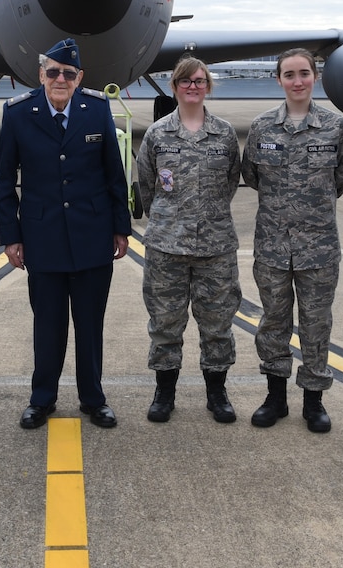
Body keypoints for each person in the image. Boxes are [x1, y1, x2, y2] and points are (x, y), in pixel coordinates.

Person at [0, 38, 132, 429]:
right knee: (48, 325)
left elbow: (113, 175)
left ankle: (93, 398)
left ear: (79, 78)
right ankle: (42, 399)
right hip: (42, 236)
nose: (60, 79)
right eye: (52, 72)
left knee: (90, 324)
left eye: (68, 73)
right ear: (41, 74)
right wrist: (11, 236)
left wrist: (120, 228)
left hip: (92, 234)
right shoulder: (20, 114)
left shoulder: (97, 109)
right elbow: (6, 182)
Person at [241, 48, 343, 432]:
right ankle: (276, 398)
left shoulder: (335, 127)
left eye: (304, 73)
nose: (297, 81)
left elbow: (342, 177)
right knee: (273, 322)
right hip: (273, 247)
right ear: (279, 80)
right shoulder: (261, 128)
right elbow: (253, 176)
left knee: (316, 324)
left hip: (318, 249)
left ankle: (314, 401)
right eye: (289, 74)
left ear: (315, 77)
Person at [137, 57, 242, 423]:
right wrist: (171, 221)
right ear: (175, 87)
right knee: (165, 324)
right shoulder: (157, 134)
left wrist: (205, 216)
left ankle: (217, 393)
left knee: (217, 324)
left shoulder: (225, 134)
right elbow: (147, 187)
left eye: (199, 81)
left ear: (208, 86)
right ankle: (165, 393)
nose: (193, 87)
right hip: (167, 246)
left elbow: (230, 181)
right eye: (186, 81)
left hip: (215, 248)